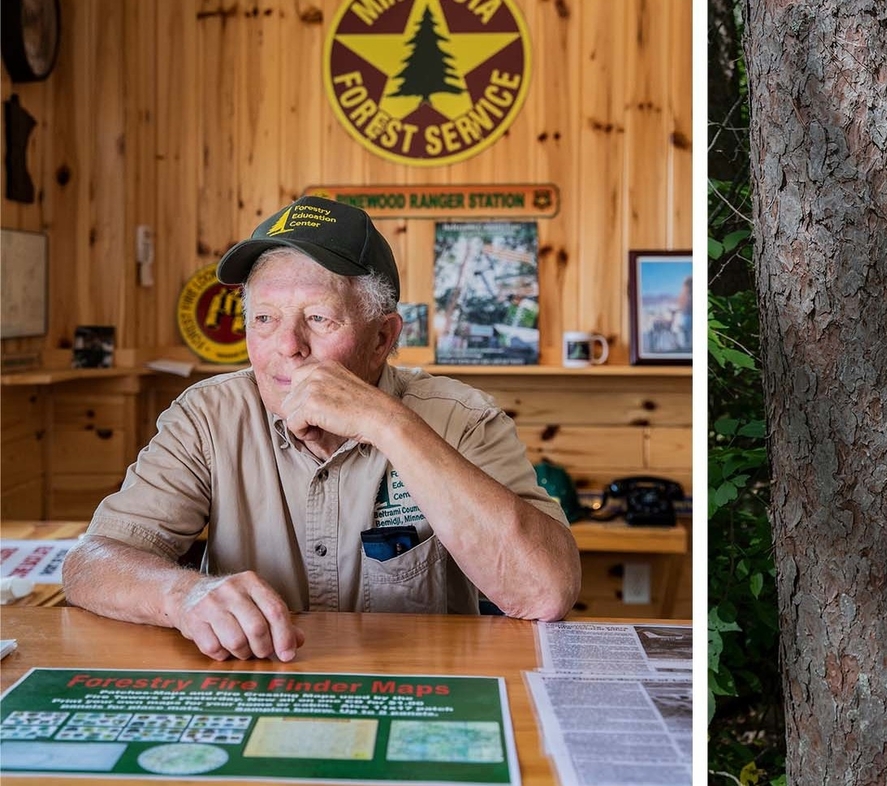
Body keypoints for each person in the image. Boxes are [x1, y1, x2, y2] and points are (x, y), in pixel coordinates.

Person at [63, 196, 581, 663]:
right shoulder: (207, 417)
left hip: (418, 693)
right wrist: (183, 595)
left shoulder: (461, 418)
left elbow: (546, 591)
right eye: (264, 319)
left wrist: (387, 422)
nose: (287, 346)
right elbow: (90, 565)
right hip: (256, 689)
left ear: (382, 338)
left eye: (318, 318)